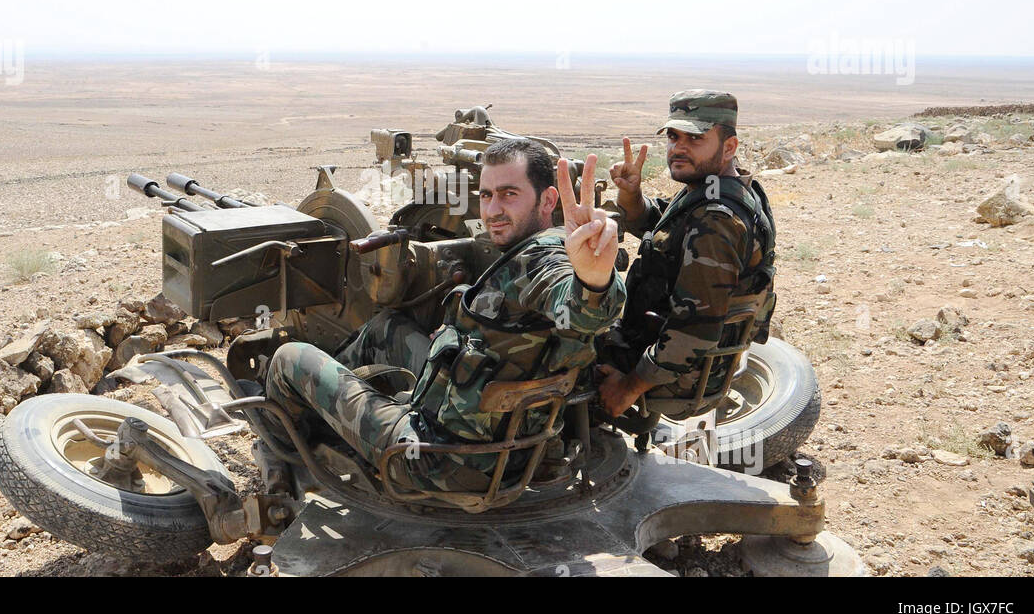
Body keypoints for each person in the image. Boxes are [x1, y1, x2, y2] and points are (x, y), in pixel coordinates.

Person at [264, 137, 626, 492]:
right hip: (504, 438)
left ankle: (284, 456)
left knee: (289, 358)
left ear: (548, 200)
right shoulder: (528, 251)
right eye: (486, 195)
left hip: (438, 459)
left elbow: (580, 308)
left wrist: (593, 281)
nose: (493, 210)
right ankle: (330, 411)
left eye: (509, 194)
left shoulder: (543, 262)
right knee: (385, 329)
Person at [596, 90, 777, 418]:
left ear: (729, 147)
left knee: (557, 349)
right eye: (673, 136)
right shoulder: (725, 188)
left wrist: (629, 387)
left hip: (678, 372)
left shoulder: (716, 221)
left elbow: (694, 331)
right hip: (680, 354)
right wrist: (631, 194)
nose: (678, 148)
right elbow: (664, 230)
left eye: (695, 138)